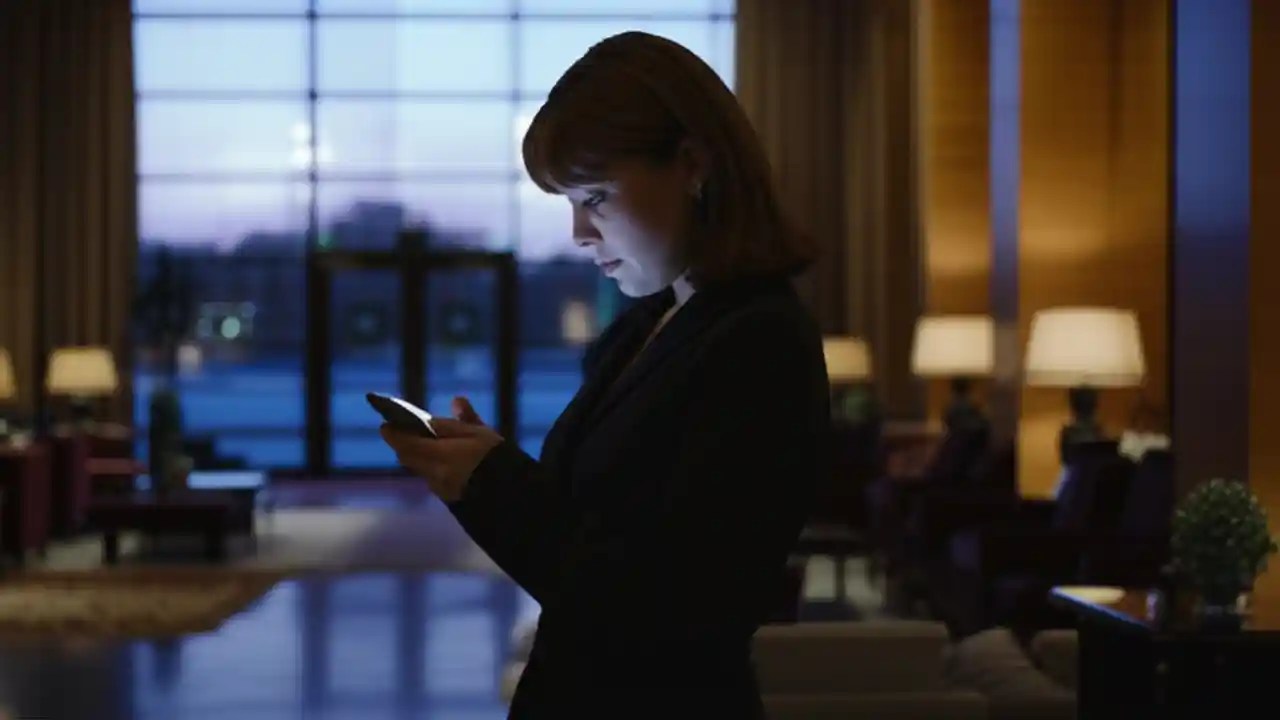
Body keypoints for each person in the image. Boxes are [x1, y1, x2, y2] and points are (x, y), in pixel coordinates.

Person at [380, 31, 831, 717]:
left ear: (692, 165)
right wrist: (486, 472)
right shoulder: (651, 325)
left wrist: (493, 483)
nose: (578, 233)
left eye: (594, 197)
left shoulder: (758, 341)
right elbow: (593, 537)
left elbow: (666, 610)